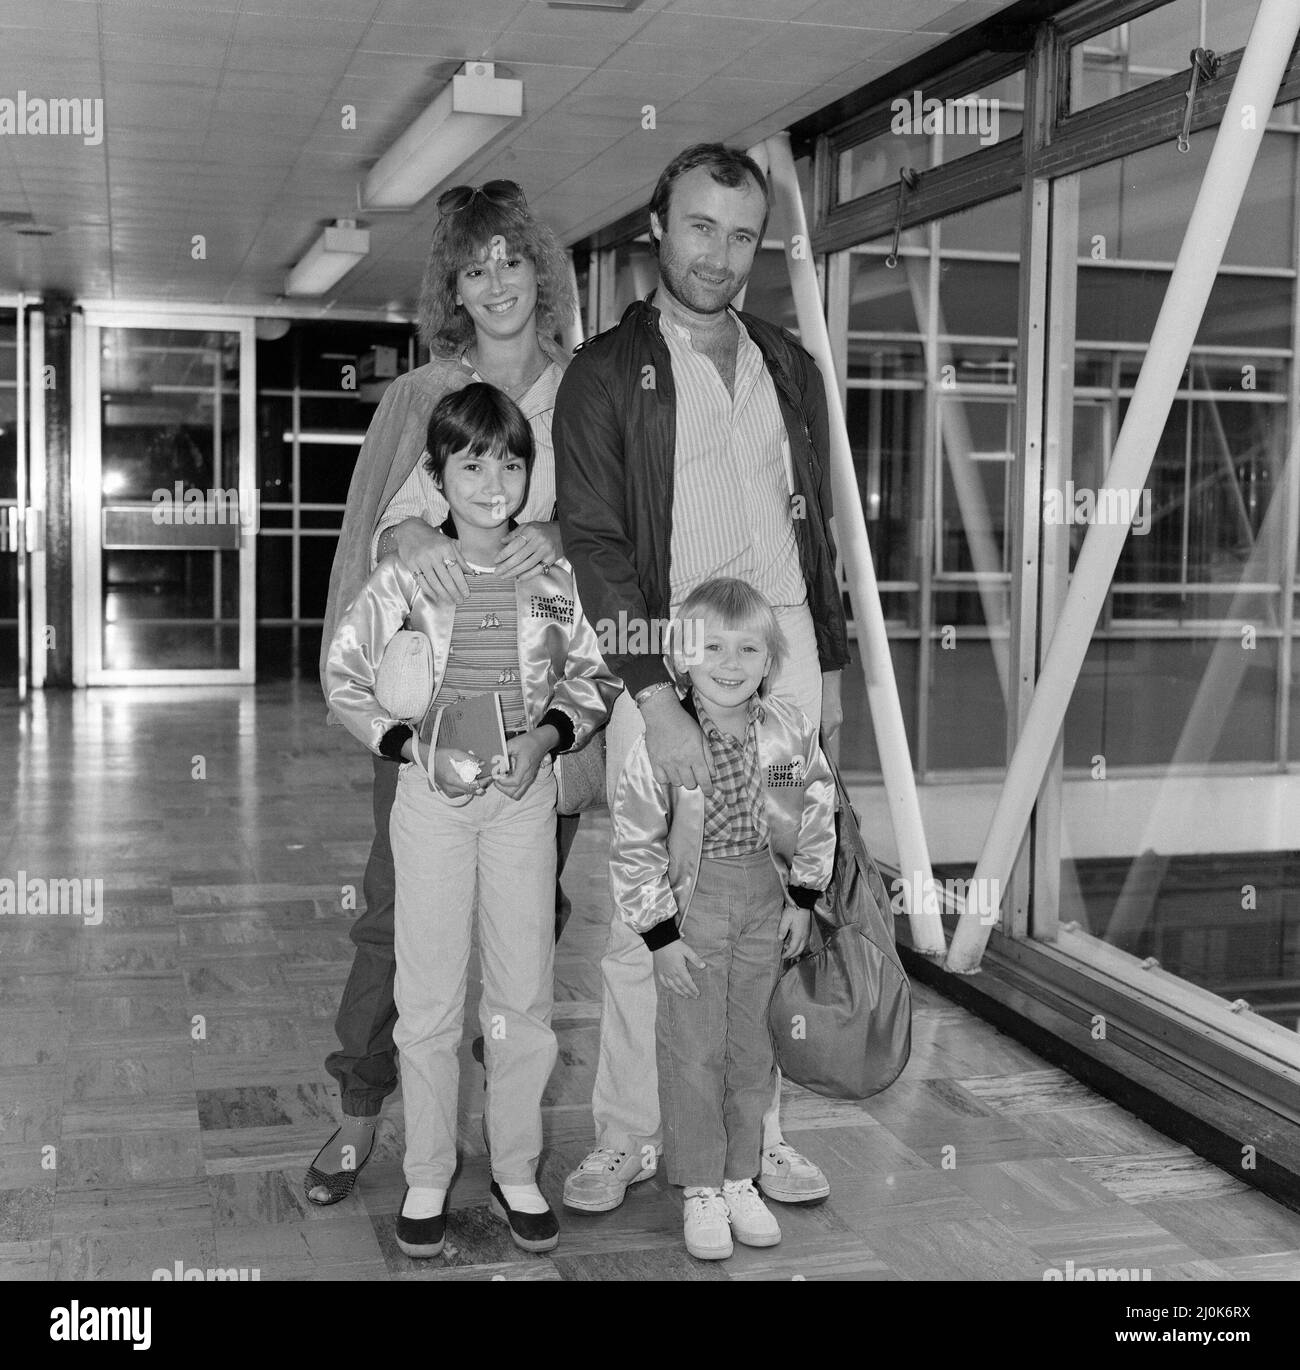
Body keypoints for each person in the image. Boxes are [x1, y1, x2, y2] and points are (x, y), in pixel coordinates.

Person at [554, 143, 850, 1212]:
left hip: (782, 672)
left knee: (764, 917)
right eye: (699, 227)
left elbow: (814, 531)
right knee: (654, 921)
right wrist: (651, 695)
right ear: (656, 225)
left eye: (741, 234)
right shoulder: (601, 372)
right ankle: (631, 1133)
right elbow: (594, 541)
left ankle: (753, 1133)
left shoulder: (789, 366)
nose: (719, 254)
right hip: (668, 669)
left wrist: (826, 664)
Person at [306, 180, 578, 1207]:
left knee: (524, 928)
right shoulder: (417, 397)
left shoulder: (580, 389)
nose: (498, 281)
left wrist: (544, 545)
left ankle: (498, 1141)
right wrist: (408, 533)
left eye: (513, 259)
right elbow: (371, 534)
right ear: (452, 288)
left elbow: (602, 546)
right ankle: (360, 1114)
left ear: (538, 272)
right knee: (391, 920)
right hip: (428, 725)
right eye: (476, 266)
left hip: (530, 730)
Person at [324, 383, 618, 1255]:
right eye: (473, 461)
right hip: (431, 806)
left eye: (512, 462)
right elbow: (345, 676)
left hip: (522, 804)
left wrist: (550, 739)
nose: (494, 480)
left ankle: (516, 1166)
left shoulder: (552, 575)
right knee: (426, 995)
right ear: (438, 475)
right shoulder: (408, 573)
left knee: (523, 993)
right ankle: (425, 1174)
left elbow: (591, 679)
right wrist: (411, 749)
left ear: (531, 473)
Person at [611, 578, 834, 1258]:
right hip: (694, 906)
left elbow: (817, 810)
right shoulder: (665, 741)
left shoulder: (788, 731)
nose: (730, 662)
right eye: (712, 646)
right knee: (694, 1048)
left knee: (752, 1047)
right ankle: (701, 1185)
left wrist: (802, 897)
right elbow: (635, 844)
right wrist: (661, 937)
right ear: (681, 655)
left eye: (747, 648)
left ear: (769, 661)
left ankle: (742, 1175)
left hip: (764, 902)